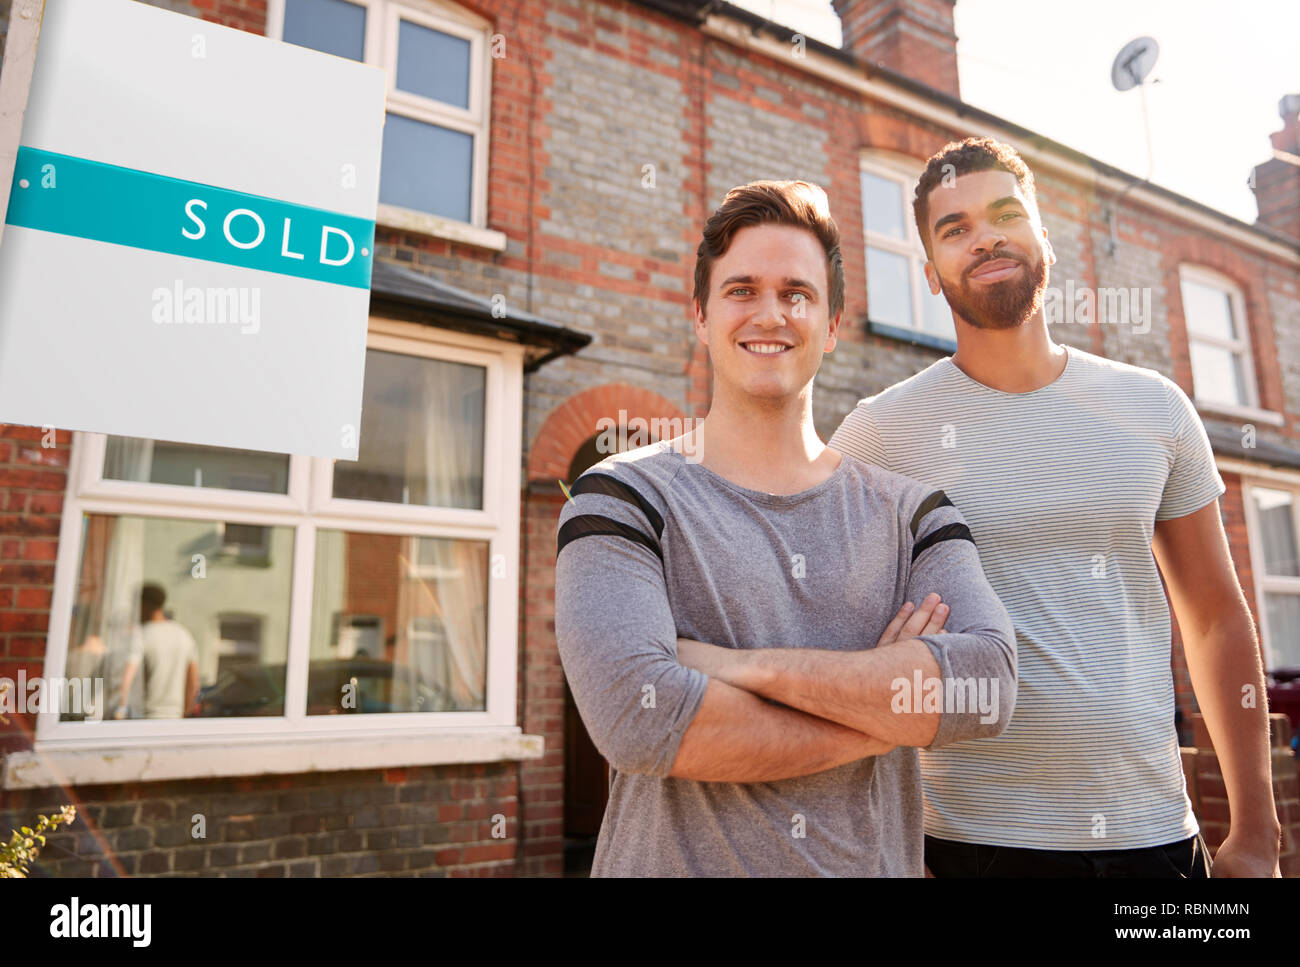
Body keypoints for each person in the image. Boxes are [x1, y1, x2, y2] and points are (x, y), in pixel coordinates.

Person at [827, 136, 1281, 877]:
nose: (986, 237)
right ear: (932, 276)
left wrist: (1257, 832)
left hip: (1155, 839)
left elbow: (1216, 616)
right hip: (966, 845)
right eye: (956, 229)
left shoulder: (1155, 408)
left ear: (1046, 237)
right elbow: (821, 617)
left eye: (1006, 213)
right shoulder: (880, 433)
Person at [554, 180, 1016, 876]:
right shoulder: (622, 494)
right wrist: (886, 706)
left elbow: (986, 687)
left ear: (831, 325)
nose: (770, 313)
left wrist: (736, 667)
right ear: (700, 316)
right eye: (741, 289)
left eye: (796, 293)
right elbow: (640, 719)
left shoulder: (915, 513)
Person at [114, 583, 199, 720]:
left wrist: (119, 712)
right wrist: (185, 714)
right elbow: (193, 684)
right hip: (174, 719)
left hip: (144, 719)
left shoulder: (141, 636)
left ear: (144, 604)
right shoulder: (184, 635)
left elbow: (125, 682)